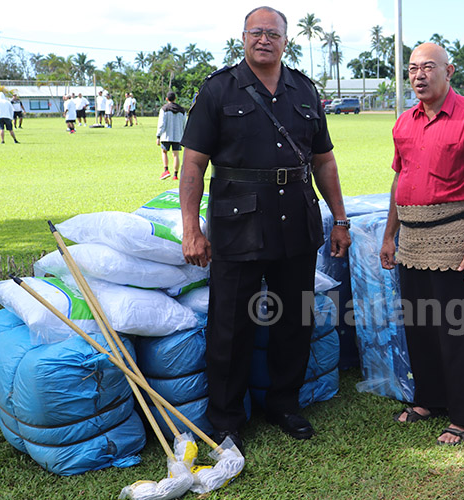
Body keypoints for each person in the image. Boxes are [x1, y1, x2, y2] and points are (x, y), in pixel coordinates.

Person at [179, 6, 351, 453]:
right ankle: (227, 418)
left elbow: (324, 161)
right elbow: (194, 164)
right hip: (238, 223)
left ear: (285, 41)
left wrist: (341, 218)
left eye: (272, 33)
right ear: (242, 38)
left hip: (297, 217)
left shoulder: (304, 91)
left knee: (294, 318)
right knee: (230, 325)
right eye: (256, 32)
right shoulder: (218, 90)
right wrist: (191, 229)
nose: (263, 40)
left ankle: (284, 404)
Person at [380, 43, 464, 445]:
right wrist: (388, 235)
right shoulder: (403, 122)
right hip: (412, 240)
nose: (419, 75)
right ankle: (428, 399)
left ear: (449, 71)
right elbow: (400, 179)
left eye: (428, 67)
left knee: (457, 329)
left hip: (456, 237)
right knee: (420, 326)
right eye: (413, 68)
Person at [157, 91, 185, 180]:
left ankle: (166, 170)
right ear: (175, 98)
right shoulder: (182, 110)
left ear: (166, 99)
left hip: (166, 135)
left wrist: (158, 136)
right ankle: (176, 175)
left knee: (164, 151)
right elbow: (185, 124)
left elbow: (162, 123)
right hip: (178, 136)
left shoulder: (164, 109)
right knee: (176, 155)